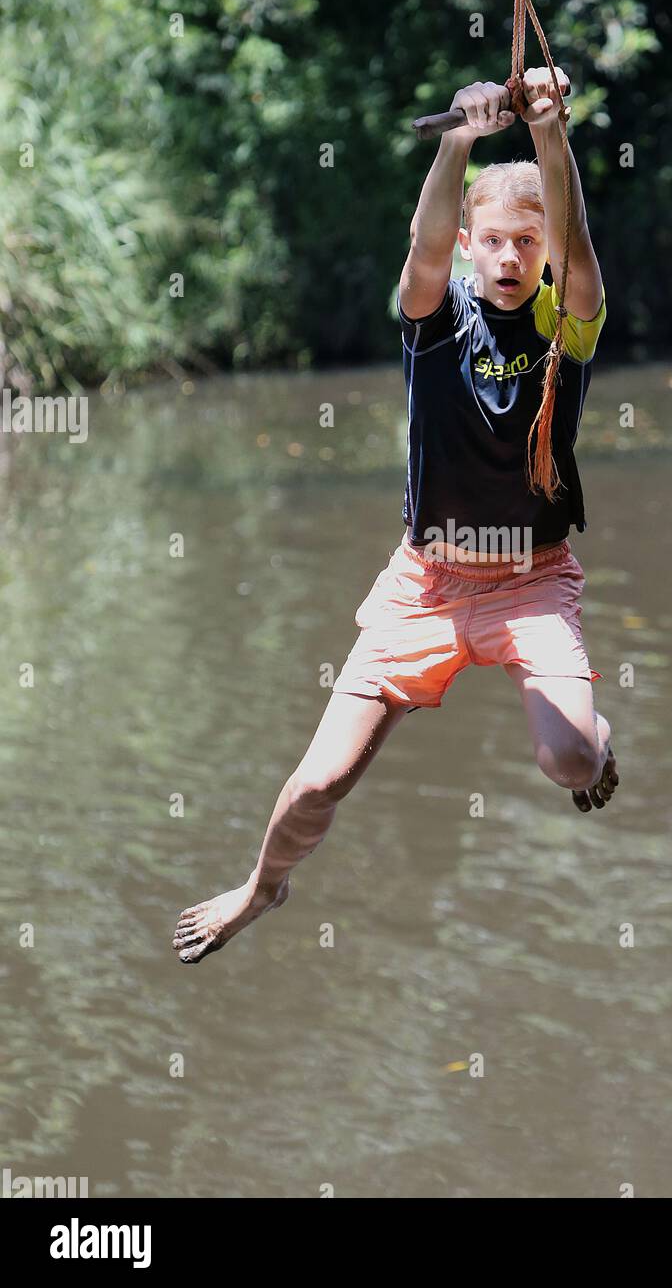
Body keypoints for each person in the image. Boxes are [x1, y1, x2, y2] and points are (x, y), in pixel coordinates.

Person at [173, 69, 618, 964]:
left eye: (525, 243)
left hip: (529, 582)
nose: (507, 259)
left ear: (542, 253)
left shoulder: (564, 327)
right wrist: (459, 138)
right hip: (426, 584)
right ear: (469, 246)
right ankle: (262, 887)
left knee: (571, 763)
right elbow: (422, 247)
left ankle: (599, 750)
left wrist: (550, 132)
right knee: (317, 785)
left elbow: (576, 249)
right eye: (492, 242)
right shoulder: (435, 318)